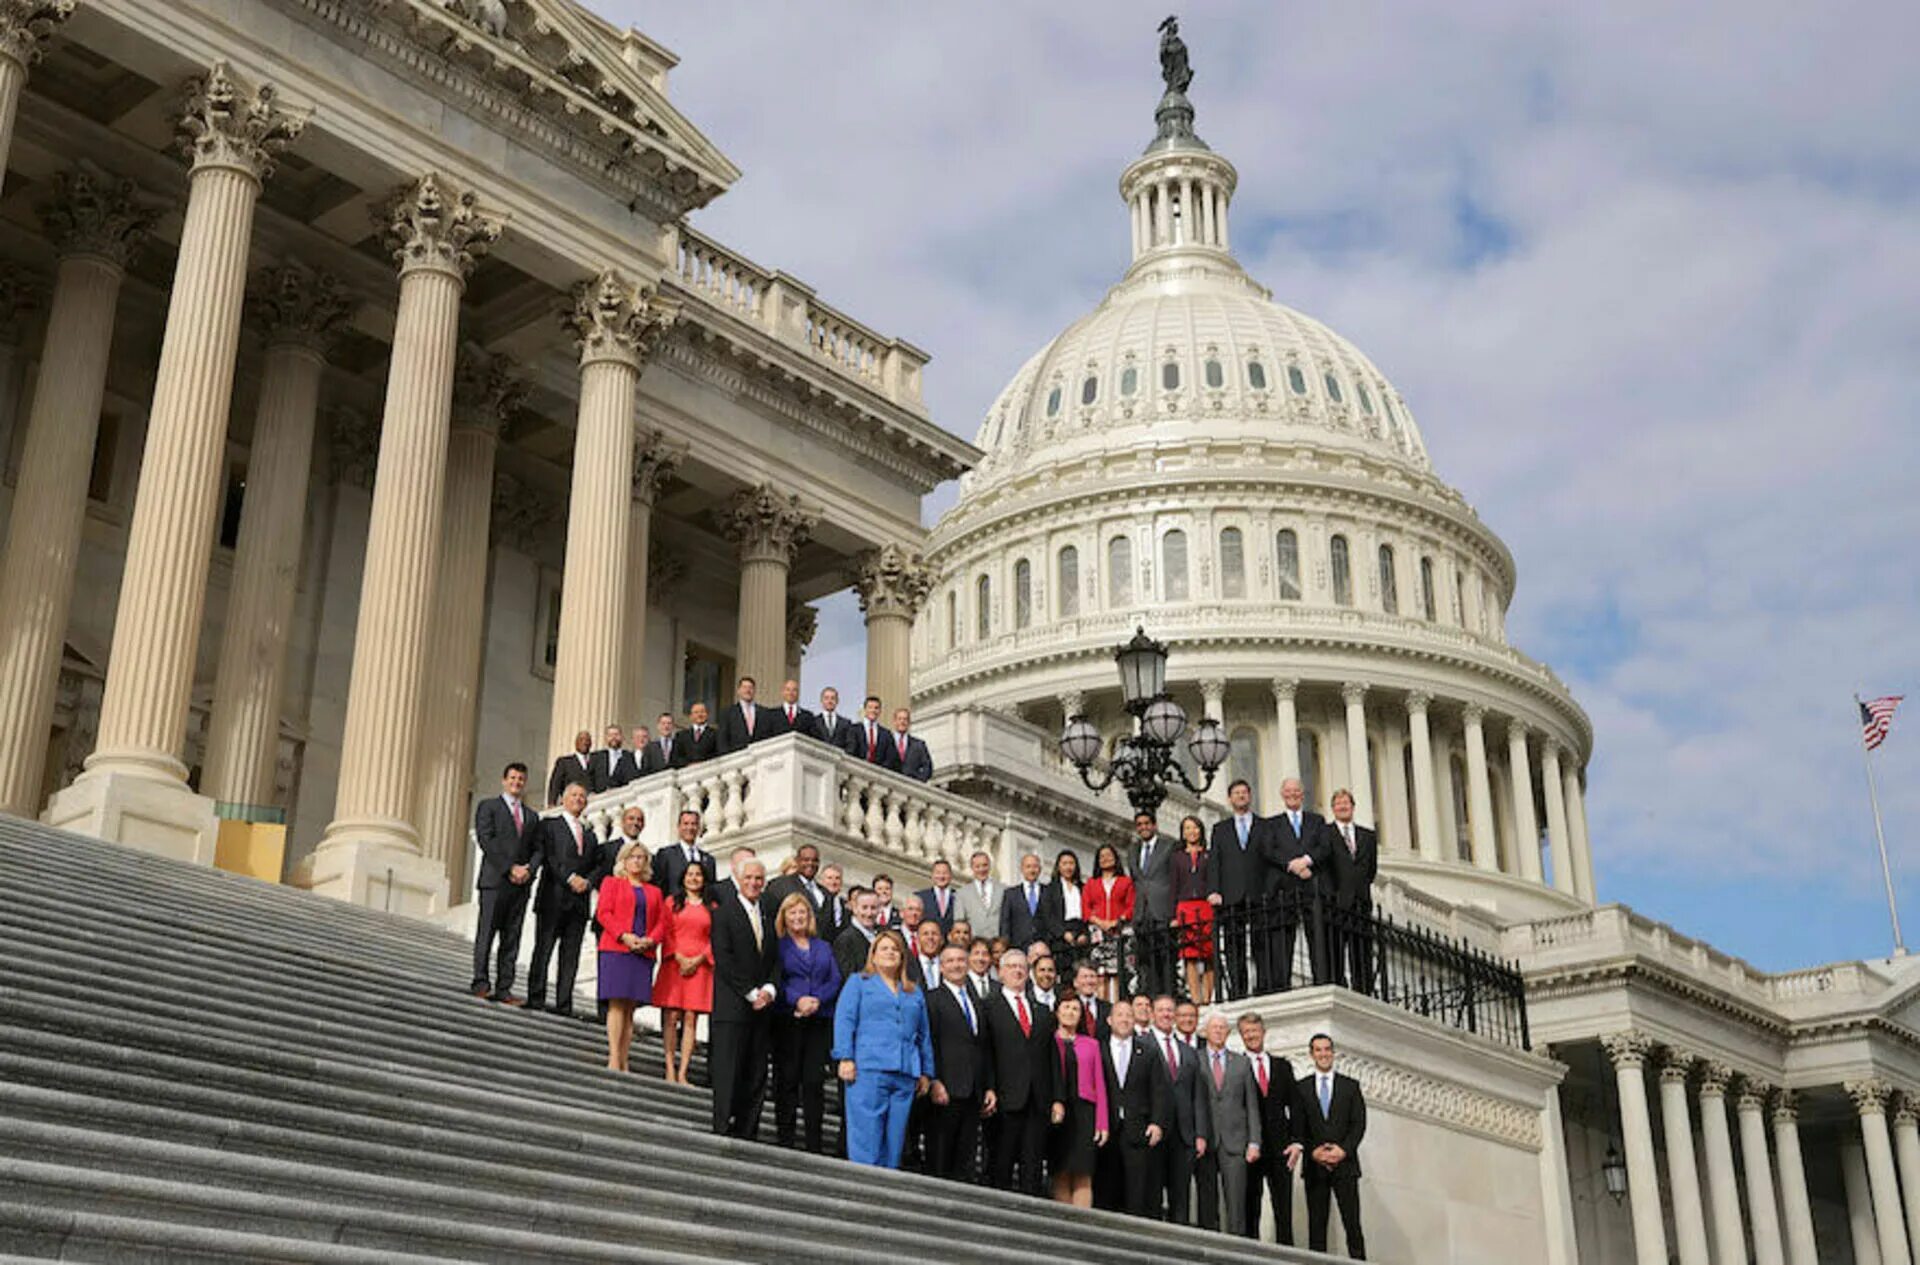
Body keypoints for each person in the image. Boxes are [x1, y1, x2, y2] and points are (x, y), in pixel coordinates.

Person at [833, 929, 934, 1168]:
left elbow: (924, 1034)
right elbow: (845, 1020)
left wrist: (927, 1072)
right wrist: (845, 1057)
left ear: (903, 956)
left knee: (894, 1143)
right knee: (866, 1139)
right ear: (874, 955)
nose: (890, 953)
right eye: (884, 948)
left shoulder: (913, 991)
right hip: (869, 1068)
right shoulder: (859, 982)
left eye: (895, 949)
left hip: (905, 1071)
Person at [709, 858, 779, 1138]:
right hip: (733, 1006)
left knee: (756, 1072)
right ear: (738, 879)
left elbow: (776, 959)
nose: (754, 883)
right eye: (749, 877)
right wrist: (750, 992)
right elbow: (724, 959)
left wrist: (770, 990)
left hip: (762, 1009)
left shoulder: (770, 914)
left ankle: (748, 1129)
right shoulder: (724, 914)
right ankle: (724, 1126)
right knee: (729, 1071)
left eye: (759, 878)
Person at [525, 782, 607, 1015]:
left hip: (579, 903)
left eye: (582, 796)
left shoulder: (590, 835)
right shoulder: (549, 826)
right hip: (553, 898)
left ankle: (564, 1003)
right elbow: (548, 857)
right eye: (574, 795)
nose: (579, 799)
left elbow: (597, 865)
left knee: (570, 956)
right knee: (543, 950)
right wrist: (570, 877)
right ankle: (536, 997)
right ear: (563, 799)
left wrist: (588, 882)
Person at [773, 891, 842, 1153]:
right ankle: (786, 1137)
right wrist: (797, 1000)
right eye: (792, 912)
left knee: (814, 1081)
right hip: (789, 1019)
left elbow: (834, 979)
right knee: (787, 1079)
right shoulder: (779, 945)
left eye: (802, 912)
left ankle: (814, 1140)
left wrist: (815, 1000)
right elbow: (777, 978)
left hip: (818, 1020)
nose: (798, 917)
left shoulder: (823, 946)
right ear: (785, 917)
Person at [982, 948, 1055, 1195]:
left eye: (1022, 966)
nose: (1017, 970)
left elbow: (1051, 1058)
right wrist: (989, 1087)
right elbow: (986, 1051)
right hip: (1005, 1099)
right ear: (1000, 972)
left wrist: (1057, 1098)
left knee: (1032, 1167)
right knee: (1001, 1164)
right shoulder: (989, 1007)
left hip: (1037, 1099)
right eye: (1011, 966)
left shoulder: (1043, 1012)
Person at [925, 943, 994, 1182]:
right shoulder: (932, 999)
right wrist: (934, 1080)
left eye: (961, 961)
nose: (956, 965)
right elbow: (929, 1042)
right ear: (941, 968)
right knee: (941, 1158)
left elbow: (984, 1046)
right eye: (950, 961)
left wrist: (988, 1086)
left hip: (973, 1090)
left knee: (965, 1161)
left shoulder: (977, 1000)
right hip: (946, 1088)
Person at [470, 762, 537, 1003]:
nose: (516, 782)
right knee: (486, 934)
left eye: (520, 779)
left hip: (520, 886)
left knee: (512, 939)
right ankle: (480, 982)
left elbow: (537, 849)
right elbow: (486, 840)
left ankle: (504, 988)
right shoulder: (488, 807)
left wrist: (528, 870)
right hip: (495, 881)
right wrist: (509, 868)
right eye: (512, 778)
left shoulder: (531, 816)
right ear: (504, 780)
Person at [595, 841, 664, 1071]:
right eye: (632, 856)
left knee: (630, 1008)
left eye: (641, 857)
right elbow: (603, 913)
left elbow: (662, 923)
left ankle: (625, 1058)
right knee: (616, 1004)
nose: (637, 861)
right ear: (623, 860)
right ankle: (614, 1057)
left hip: (643, 952)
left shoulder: (654, 891)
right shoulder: (611, 883)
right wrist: (623, 935)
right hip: (617, 948)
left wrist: (650, 940)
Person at [1098, 998, 1170, 1217]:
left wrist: (1157, 1122)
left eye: (1129, 1015)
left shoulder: (1148, 1051)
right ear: (1110, 1020)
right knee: (1107, 1189)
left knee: (1137, 1191)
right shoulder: (1098, 1049)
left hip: (1138, 1129)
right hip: (1106, 1130)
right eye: (1120, 1015)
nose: (1125, 1019)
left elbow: (1159, 1089)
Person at [1299, 1032, 1367, 1259]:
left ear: (1333, 1052)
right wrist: (1313, 1151)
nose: (1323, 1054)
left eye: (1327, 1049)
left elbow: (1358, 1124)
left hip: (1345, 1166)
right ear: (1311, 1054)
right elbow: (1297, 1127)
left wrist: (1343, 1150)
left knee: (1353, 1225)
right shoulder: (1301, 1088)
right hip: (1314, 1167)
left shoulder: (1350, 1087)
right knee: (1316, 1229)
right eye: (1318, 1050)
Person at [1195, 1012, 1262, 1234]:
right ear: (1205, 1032)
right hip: (1205, 1140)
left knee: (1236, 1206)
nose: (1218, 1031)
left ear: (1228, 1032)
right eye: (1214, 1028)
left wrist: (1254, 1141)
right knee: (1207, 1204)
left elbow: (1251, 1104)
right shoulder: (1195, 1059)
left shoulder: (1242, 1063)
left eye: (1222, 1028)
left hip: (1236, 1141)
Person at [1239, 1012, 1302, 1245]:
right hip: (1251, 1148)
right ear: (1241, 1035)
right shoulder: (1238, 1065)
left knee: (1283, 1210)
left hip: (1280, 1149)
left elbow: (1295, 1105)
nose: (1251, 1035)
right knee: (1250, 1208)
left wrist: (1296, 1141)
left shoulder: (1282, 1066)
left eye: (1255, 1031)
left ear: (1263, 1033)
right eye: (1246, 1032)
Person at [1147, 994, 1210, 1225]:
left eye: (1169, 1010)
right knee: (1153, 1193)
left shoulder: (1188, 1051)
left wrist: (1200, 1134)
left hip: (1184, 1135)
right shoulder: (1142, 1046)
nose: (1166, 1014)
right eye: (1161, 1010)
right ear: (1153, 1014)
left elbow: (1198, 1097)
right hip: (1154, 1131)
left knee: (1181, 1197)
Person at [655, 858, 715, 1085]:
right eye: (690, 874)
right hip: (675, 963)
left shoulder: (712, 907)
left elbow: (715, 937)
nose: (694, 878)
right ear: (683, 878)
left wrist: (699, 959)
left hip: (700, 966)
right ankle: (670, 1067)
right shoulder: (672, 902)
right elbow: (666, 930)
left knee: (691, 1017)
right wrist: (678, 956)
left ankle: (683, 1072)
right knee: (671, 1016)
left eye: (698, 874)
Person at [1208, 779, 1270, 998]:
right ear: (1230, 799)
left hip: (1258, 892)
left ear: (1250, 796)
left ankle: (1263, 986)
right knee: (1235, 946)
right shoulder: (1220, 829)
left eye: (1244, 792)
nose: (1241, 796)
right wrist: (1214, 890)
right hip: (1231, 895)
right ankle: (1238, 990)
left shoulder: (1264, 826)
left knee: (1261, 944)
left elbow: (1270, 859)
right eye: (1236, 793)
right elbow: (1214, 861)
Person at [1265, 776, 1328, 989]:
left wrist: (1306, 861)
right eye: (1288, 791)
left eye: (1296, 791)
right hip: (1284, 887)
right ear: (1282, 795)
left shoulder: (1316, 821)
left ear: (1303, 794)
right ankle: (1282, 983)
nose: (1292, 794)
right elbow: (1269, 850)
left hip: (1311, 885)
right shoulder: (1272, 823)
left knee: (1317, 933)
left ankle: (1322, 980)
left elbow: (1324, 847)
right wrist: (1291, 864)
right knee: (1284, 936)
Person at [1046, 994, 1108, 1207]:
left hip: (1084, 1113)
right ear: (1057, 1011)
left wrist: (1102, 1123)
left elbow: (1100, 1085)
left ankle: (1083, 1231)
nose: (1070, 1012)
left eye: (1075, 1009)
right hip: (1058, 1111)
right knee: (1060, 1171)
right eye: (1066, 1007)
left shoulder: (1091, 1044)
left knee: (1083, 1172)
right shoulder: (1048, 1040)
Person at [1323, 788, 1379, 995]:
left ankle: (1363, 987)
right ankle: (1338, 984)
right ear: (1333, 808)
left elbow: (1371, 869)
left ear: (1353, 807)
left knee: (1362, 950)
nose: (1342, 806)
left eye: (1346, 803)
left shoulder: (1368, 836)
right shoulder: (1326, 833)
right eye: (1338, 803)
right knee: (1336, 947)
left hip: (1361, 899)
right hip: (1337, 900)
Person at [1170, 815, 1218, 1005]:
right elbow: (1173, 885)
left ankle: (1207, 996)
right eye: (1187, 828)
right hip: (1185, 906)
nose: (1192, 831)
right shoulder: (1176, 858)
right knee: (1189, 955)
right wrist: (1173, 914)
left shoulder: (1209, 854)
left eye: (1195, 827)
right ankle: (1196, 998)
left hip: (1204, 905)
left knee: (1208, 953)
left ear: (1201, 830)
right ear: (1183, 833)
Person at [1084, 843, 1134, 1001]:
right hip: (1098, 931)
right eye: (1102, 856)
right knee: (1100, 971)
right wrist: (1100, 922)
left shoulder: (1125, 881)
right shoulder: (1091, 883)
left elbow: (1131, 905)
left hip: (1119, 929)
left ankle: (1117, 1001)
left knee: (1118, 969)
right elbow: (1085, 908)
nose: (1106, 859)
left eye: (1109, 855)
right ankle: (1102, 1002)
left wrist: (1117, 921)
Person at [654, 808, 717, 903]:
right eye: (686, 824)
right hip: (674, 911)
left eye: (694, 824)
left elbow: (711, 890)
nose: (690, 828)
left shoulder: (709, 860)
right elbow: (658, 888)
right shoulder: (666, 855)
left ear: (699, 827)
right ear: (679, 827)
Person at [1040, 848, 1090, 968]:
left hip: (1080, 931)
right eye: (1064, 863)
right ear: (1058, 866)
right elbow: (1048, 915)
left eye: (1071, 863)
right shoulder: (1050, 889)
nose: (1068, 867)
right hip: (1060, 935)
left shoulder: (1084, 888)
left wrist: (1085, 934)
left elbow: (1089, 911)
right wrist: (1062, 933)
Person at [764, 842, 826, 921]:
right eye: (806, 860)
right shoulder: (780, 885)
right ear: (797, 861)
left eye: (815, 860)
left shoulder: (825, 893)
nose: (810, 863)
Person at [954, 850, 1003, 943]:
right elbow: (959, 921)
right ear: (972, 868)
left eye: (984, 865)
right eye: (977, 866)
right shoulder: (962, 893)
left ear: (989, 866)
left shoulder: (1003, 890)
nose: (981, 869)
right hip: (974, 943)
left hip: (998, 943)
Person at [1000, 851, 1046, 950]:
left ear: (1040, 869)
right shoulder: (1010, 894)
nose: (1032, 870)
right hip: (1018, 946)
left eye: (1035, 867)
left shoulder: (1049, 891)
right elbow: (1005, 921)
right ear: (1022, 869)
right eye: (1028, 867)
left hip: (1043, 946)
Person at [833, 887, 881, 979]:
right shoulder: (845, 940)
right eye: (864, 907)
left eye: (873, 908)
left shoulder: (884, 934)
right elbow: (848, 978)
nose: (869, 913)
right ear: (855, 909)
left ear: (879, 909)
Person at [719, 676, 766, 753]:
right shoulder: (728, 713)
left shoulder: (764, 712)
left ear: (754, 691)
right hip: (736, 758)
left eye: (750, 688)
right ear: (738, 691)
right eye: (744, 687)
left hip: (759, 756)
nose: (748, 690)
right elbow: (722, 740)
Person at [547, 729, 593, 804]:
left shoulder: (596, 761)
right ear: (576, 743)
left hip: (592, 804)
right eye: (581, 740)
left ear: (591, 744)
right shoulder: (564, 762)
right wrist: (551, 803)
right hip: (570, 804)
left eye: (587, 740)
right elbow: (555, 784)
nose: (584, 743)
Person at [888, 707, 933, 781]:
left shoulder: (919, 745)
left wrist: (919, 781)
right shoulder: (887, 742)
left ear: (909, 723)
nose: (902, 722)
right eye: (900, 719)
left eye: (905, 719)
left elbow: (928, 767)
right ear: (894, 721)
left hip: (911, 785)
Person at [1069, 963, 1111, 1040]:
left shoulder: (1109, 1008)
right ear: (1075, 982)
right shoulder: (1068, 1007)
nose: (1089, 981)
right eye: (1084, 977)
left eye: (1092, 976)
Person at [917, 859, 958, 934]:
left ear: (951, 875)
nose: (941, 876)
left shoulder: (960, 897)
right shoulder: (920, 897)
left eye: (945, 873)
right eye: (938, 873)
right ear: (932, 875)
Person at [590, 723, 636, 791]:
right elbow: (590, 777)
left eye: (616, 734)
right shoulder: (596, 757)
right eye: (610, 735)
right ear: (606, 738)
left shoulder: (630, 757)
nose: (613, 737)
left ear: (622, 737)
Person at [850, 694, 890, 765]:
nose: (873, 710)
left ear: (880, 711)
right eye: (870, 707)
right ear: (865, 709)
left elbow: (888, 758)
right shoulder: (854, 729)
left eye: (876, 708)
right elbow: (851, 751)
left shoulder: (886, 734)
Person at [810, 686, 854, 750]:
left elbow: (850, 744)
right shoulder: (814, 721)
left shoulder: (846, 723)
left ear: (837, 701)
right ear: (821, 700)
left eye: (832, 698)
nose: (829, 701)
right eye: (826, 698)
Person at [909, 918, 945, 990]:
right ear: (917, 939)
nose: (930, 937)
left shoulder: (949, 965)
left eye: (934, 934)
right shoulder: (908, 967)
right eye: (925, 934)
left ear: (941, 939)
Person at [817, 864, 850, 938]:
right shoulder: (815, 900)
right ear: (822, 881)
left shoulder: (845, 904)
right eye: (829, 878)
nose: (833, 882)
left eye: (837, 878)